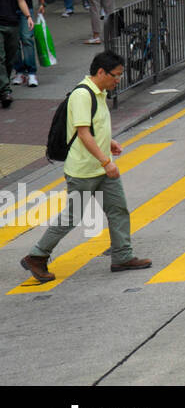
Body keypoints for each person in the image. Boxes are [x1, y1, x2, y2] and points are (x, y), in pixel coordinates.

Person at [20, 52, 151, 282]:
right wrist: (106, 161)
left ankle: (122, 255)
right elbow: (82, 134)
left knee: (118, 210)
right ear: (101, 72)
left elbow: (92, 128)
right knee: (72, 216)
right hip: (84, 171)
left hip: (101, 168)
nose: (118, 80)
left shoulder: (99, 92)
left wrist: (108, 143)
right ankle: (37, 256)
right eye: (116, 75)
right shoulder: (82, 94)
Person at [0, 0, 34, 108]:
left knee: (10, 57)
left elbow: (21, 0)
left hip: (12, 23)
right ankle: (5, 90)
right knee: (0, 57)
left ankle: (3, 84)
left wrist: (28, 17)